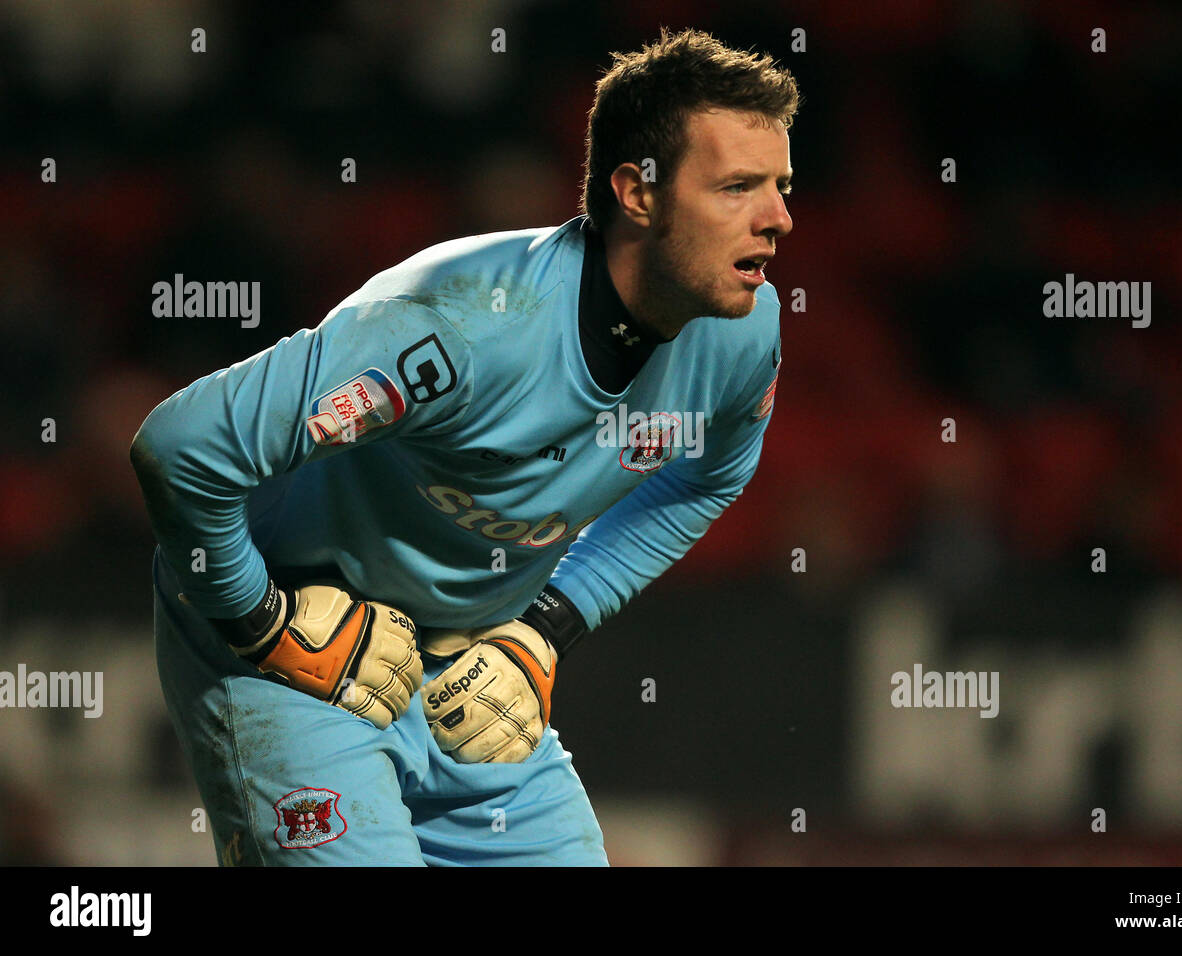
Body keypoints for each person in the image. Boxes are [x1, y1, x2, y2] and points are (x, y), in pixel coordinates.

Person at [130, 27, 798, 866]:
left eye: (779, 185)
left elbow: (703, 482)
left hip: (464, 670)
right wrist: (262, 622)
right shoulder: (460, 329)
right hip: (295, 650)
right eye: (737, 187)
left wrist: (549, 626)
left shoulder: (741, 332)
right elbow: (181, 445)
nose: (779, 219)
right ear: (636, 193)